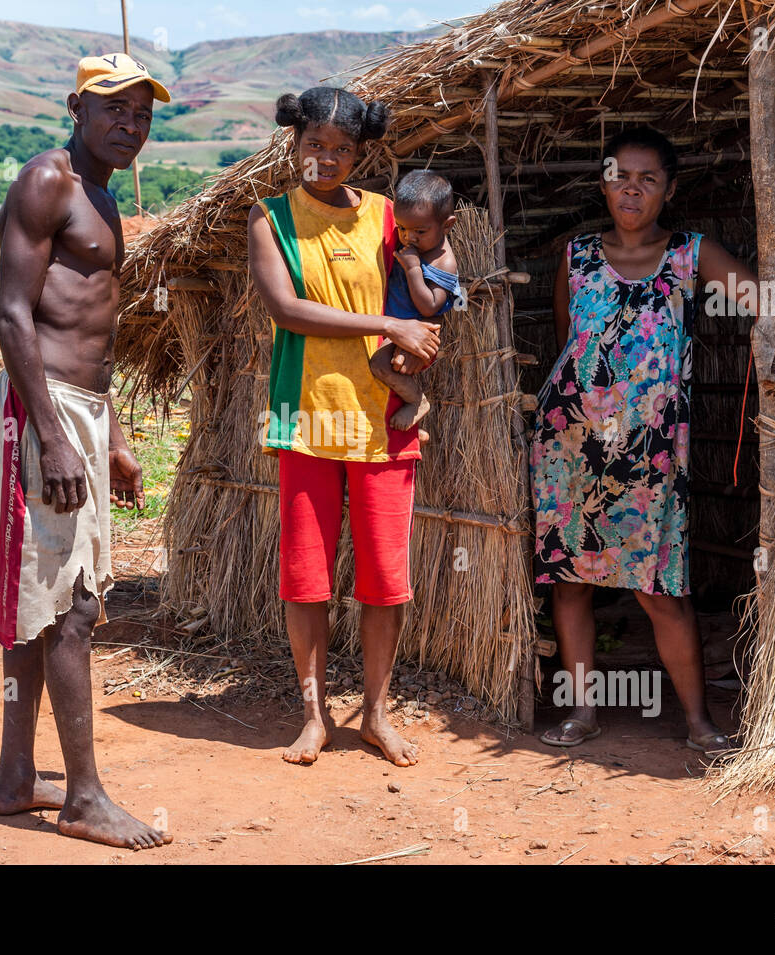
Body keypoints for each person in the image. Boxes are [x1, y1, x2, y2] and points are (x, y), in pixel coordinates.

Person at [533, 126, 775, 752]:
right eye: (620, 177)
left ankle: (698, 722)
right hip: (571, 447)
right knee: (571, 582)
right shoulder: (576, 257)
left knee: (661, 589)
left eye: (648, 179)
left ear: (669, 190)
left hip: (652, 457)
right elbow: (567, 347)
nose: (631, 190)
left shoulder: (690, 255)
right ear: (605, 183)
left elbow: (763, 298)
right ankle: (582, 712)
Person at [0, 52, 173, 849]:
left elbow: (95, 331)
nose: (130, 124)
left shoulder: (104, 196)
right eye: (114, 108)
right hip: (42, 412)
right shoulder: (47, 182)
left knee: (42, 602)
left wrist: (109, 435)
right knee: (73, 607)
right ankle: (84, 798)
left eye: (142, 114)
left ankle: (16, 776)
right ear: (76, 108)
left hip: (79, 413)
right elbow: (13, 315)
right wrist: (53, 433)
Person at [247, 86, 442, 766]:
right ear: (293, 143)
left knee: (386, 577)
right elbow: (287, 309)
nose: (325, 160)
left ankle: (376, 715)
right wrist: (388, 324)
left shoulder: (389, 217)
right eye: (314, 146)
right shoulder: (270, 218)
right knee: (307, 576)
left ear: (362, 153)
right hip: (302, 415)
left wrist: (425, 323)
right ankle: (314, 716)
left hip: (382, 417)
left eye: (341, 149)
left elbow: (432, 285)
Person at [368, 169, 462, 440]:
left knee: (380, 365)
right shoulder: (417, 246)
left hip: (418, 333)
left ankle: (416, 401)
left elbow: (430, 307)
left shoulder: (442, 261)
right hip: (396, 327)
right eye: (402, 228)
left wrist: (412, 269)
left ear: (447, 225)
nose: (409, 237)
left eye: (419, 231)